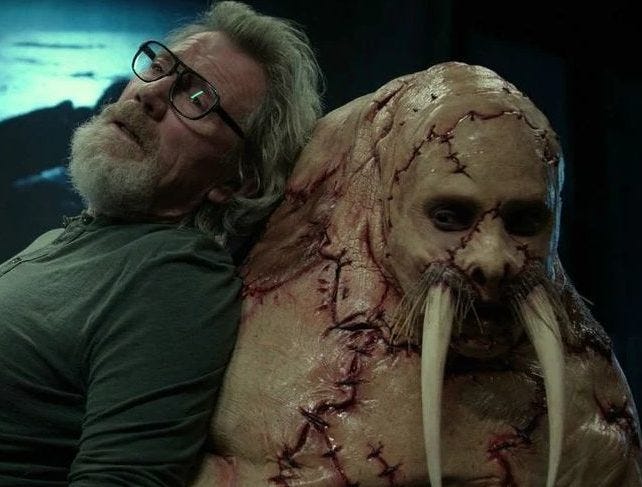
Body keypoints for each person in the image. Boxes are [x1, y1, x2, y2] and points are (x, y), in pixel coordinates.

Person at [197, 63, 642, 486]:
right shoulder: (279, 348)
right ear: (386, 208)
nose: (493, 260)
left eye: (524, 221)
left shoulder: (586, 384)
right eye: (449, 217)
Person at [0, 1, 322, 485]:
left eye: (197, 96)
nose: (149, 93)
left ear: (236, 181)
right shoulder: (67, 238)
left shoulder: (174, 276)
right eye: (158, 67)